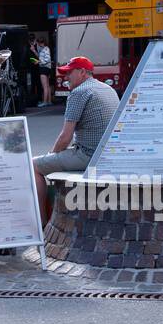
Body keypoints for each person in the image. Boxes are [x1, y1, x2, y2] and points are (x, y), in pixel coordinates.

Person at [32, 55, 119, 226]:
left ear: (82, 72)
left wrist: (50, 157)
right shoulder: (107, 89)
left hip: (88, 155)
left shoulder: (79, 93)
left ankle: (41, 223)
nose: (66, 77)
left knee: (33, 166)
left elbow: (65, 137)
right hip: (108, 154)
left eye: (69, 73)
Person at [34, 35, 54, 106]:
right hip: (47, 68)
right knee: (47, 86)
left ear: (40, 42)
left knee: (44, 86)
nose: (38, 45)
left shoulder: (45, 49)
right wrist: (34, 51)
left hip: (43, 68)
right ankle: (49, 101)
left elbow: (47, 59)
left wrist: (39, 62)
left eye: (38, 43)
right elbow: (40, 57)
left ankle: (44, 102)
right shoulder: (45, 48)